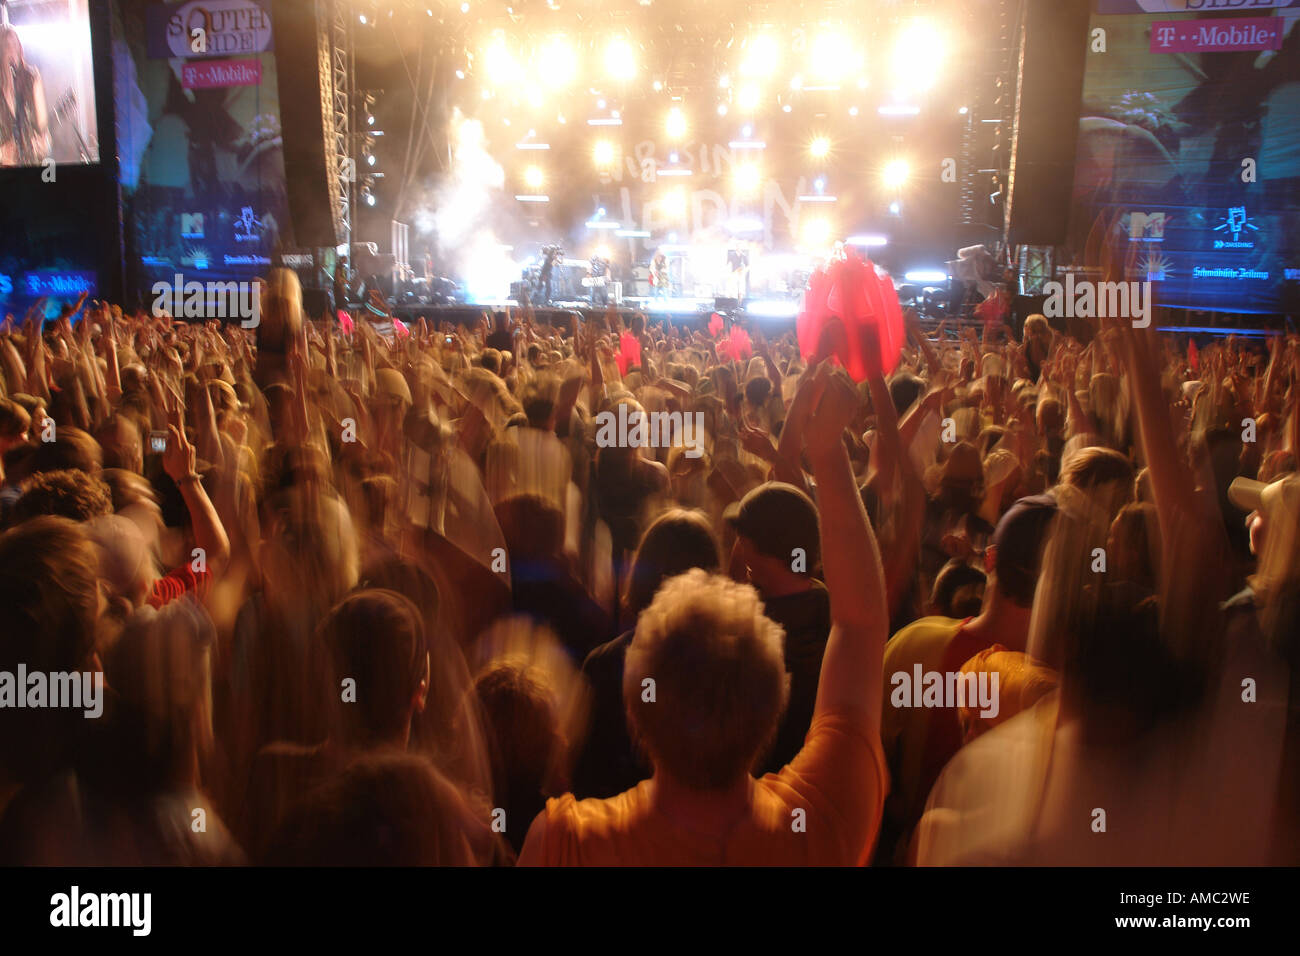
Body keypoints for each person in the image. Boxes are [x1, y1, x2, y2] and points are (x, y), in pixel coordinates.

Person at [518, 361, 891, 866]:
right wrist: (827, 453)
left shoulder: (565, 843)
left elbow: (860, 625)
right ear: (771, 708)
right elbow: (862, 625)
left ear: (636, 708)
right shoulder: (818, 829)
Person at [0, 26, 51, 167]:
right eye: (7, 46)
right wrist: (2, 153)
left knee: (49, 177)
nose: (12, 51)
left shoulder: (32, 78)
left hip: (32, 167)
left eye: (15, 45)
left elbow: (45, 134)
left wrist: (43, 146)